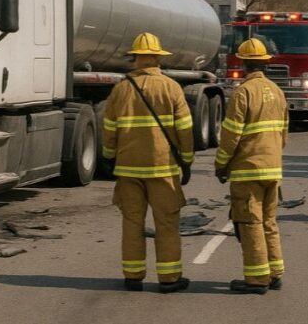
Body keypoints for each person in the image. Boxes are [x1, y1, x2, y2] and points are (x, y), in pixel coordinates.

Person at [102, 33, 194, 294]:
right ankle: (169, 278)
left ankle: (133, 276)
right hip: (162, 168)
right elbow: (185, 129)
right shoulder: (171, 87)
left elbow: (109, 128)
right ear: (158, 58)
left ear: (135, 58)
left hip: (128, 168)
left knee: (132, 222)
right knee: (166, 223)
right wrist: (186, 161)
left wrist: (109, 156)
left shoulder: (121, 89)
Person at [214, 39, 288, 294]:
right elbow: (283, 132)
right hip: (273, 167)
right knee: (269, 222)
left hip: (249, 169)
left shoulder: (243, 92)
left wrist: (221, 164)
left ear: (244, 63)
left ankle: (257, 279)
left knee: (250, 223)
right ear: (265, 63)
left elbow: (231, 133)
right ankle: (274, 272)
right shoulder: (276, 91)